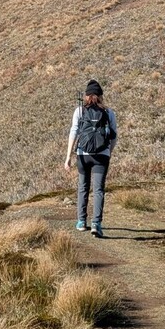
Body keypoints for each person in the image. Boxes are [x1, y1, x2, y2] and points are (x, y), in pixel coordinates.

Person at [64, 80, 118, 238]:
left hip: (83, 155)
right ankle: (96, 224)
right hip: (102, 155)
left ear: (86, 96)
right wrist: (109, 152)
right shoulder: (109, 113)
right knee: (99, 189)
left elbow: (73, 132)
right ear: (101, 96)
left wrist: (68, 157)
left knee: (83, 187)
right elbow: (114, 136)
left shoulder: (79, 111)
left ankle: (81, 221)